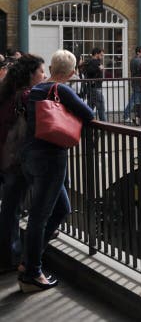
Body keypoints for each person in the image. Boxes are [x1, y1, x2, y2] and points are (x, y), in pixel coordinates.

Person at [19, 50, 94, 292]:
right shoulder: (62, 90)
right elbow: (89, 114)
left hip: (30, 155)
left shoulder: (38, 90)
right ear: (71, 73)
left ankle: (29, 260)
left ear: (51, 68)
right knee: (39, 217)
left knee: (62, 208)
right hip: (50, 159)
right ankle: (32, 273)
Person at [0, 54, 46, 273]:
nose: (44, 75)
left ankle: (8, 253)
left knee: (10, 207)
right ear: (31, 74)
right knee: (14, 207)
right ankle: (12, 256)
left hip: (6, 157)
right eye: (41, 71)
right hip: (17, 160)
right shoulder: (27, 97)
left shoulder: (7, 93)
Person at [123, 46, 141, 123]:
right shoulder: (139, 61)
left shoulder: (133, 60)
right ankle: (125, 115)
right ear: (138, 52)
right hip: (138, 83)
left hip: (135, 82)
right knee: (133, 101)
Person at [83, 47, 106, 121]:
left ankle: (86, 124)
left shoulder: (89, 61)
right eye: (101, 55)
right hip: (95, 87)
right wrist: (99, 68)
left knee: (90, 107)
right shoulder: (94, 62)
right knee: (101, 106)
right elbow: (90, 71)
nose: (102, 57)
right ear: (96, 54)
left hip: (91, 87)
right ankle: (104, 125)